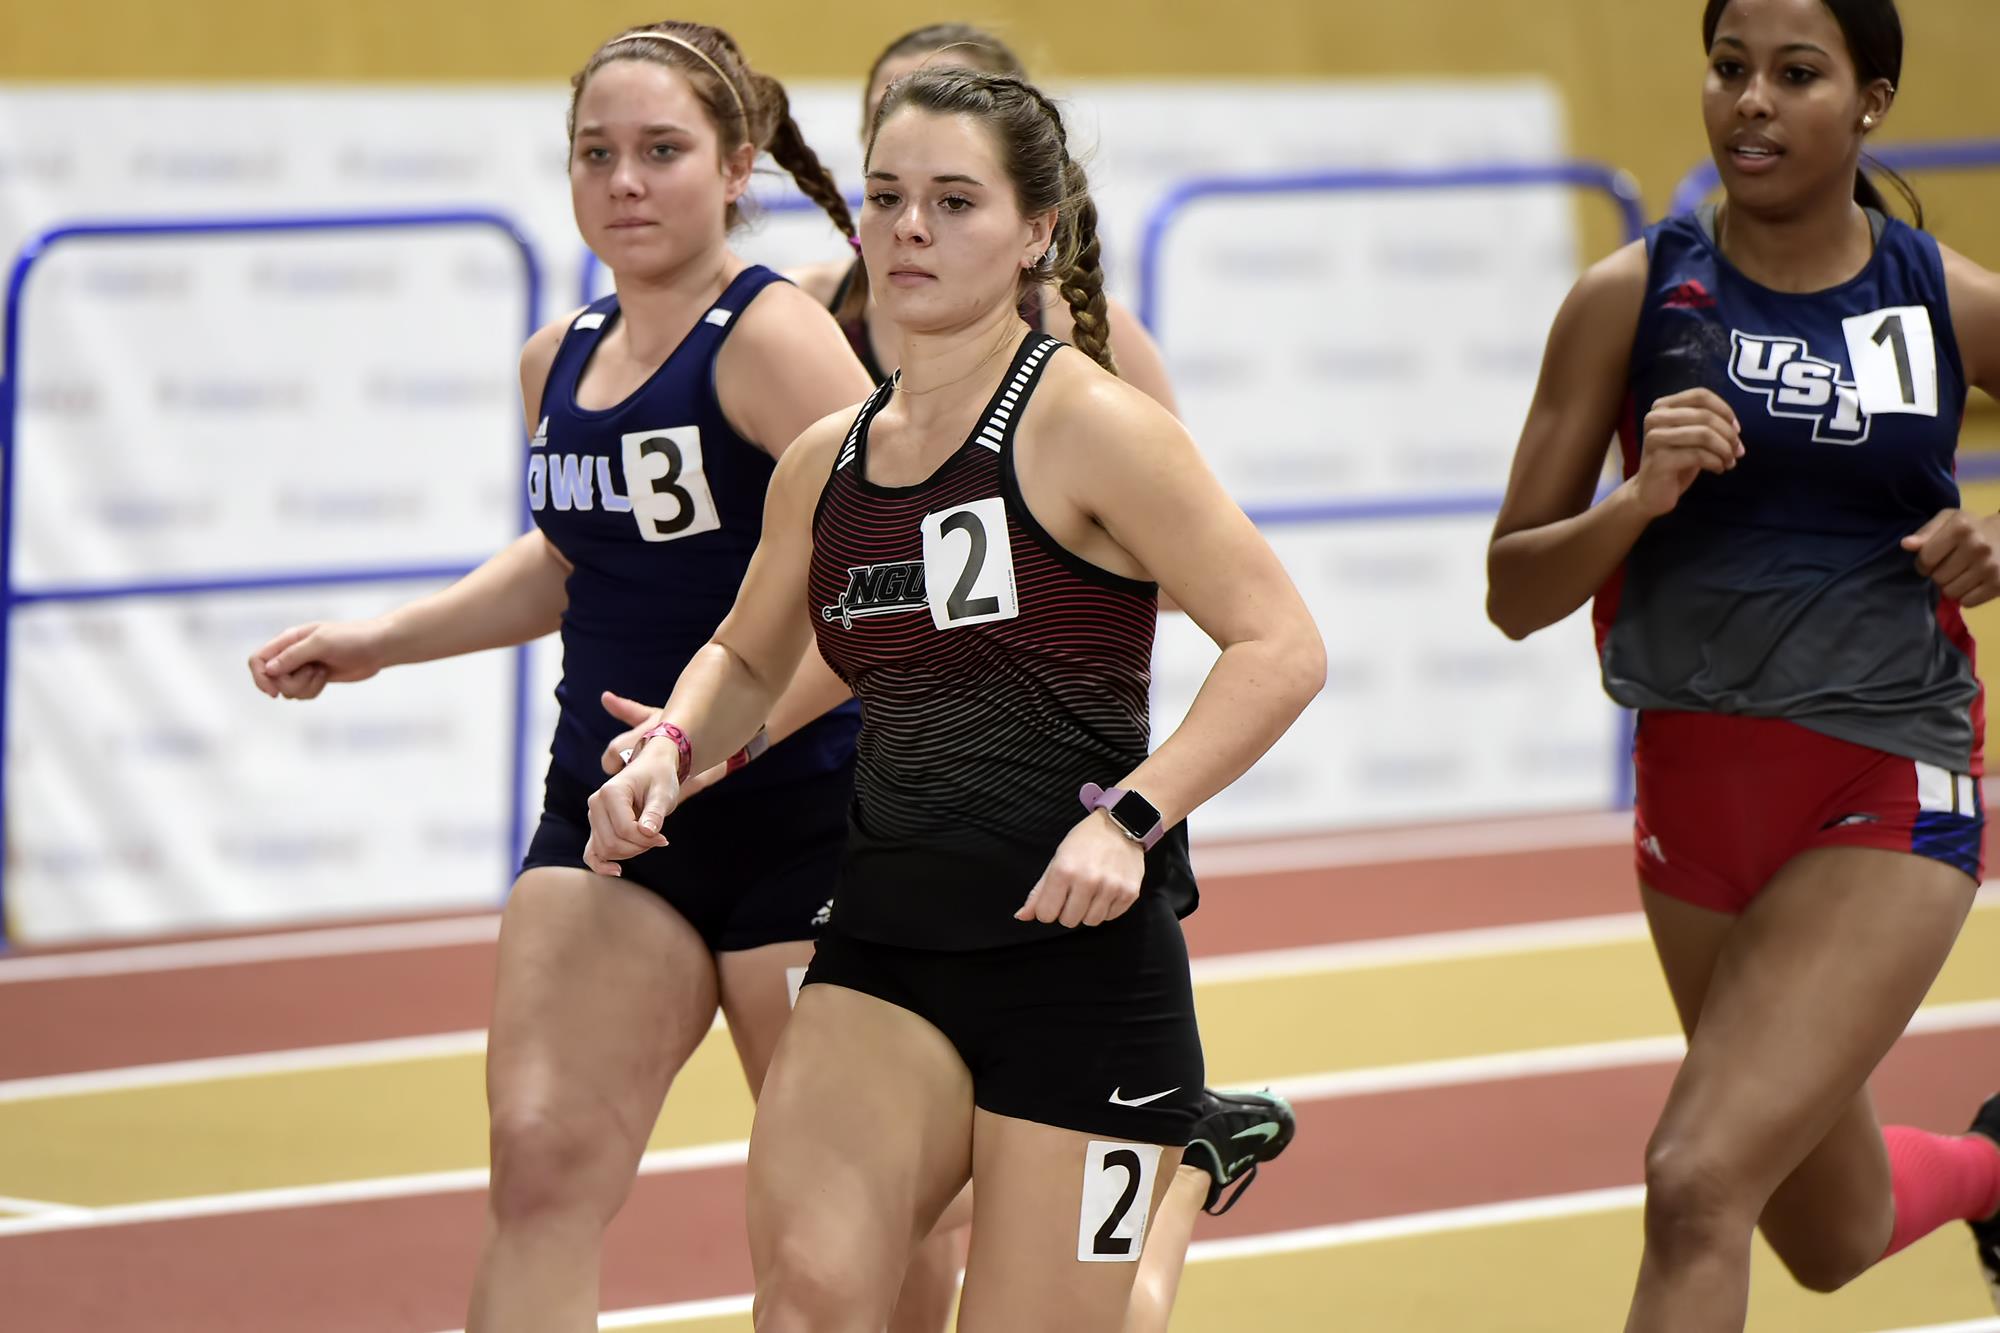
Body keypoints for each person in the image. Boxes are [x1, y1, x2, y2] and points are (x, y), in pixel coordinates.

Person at [584, 65, 1325, 1332]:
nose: (910, 227)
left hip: (1079, 974)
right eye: (885, 197)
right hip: (883, 948)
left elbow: (1278, 644)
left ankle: (1182, 1173)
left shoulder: (1093, 425)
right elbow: (750, 655)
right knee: (808, 1305)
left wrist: (1129, 820)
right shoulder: (826, 462)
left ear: (1035, 228)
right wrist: (664, 742)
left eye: (952, 200)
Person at [244, 21, 955, 1331]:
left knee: (848, 1232)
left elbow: (883, 587)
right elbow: (574, 562)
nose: (625, 181)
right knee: (540, 1160)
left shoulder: (776, 338)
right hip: (610, 819)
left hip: (809, 825)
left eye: (662, 151)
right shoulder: (555, 359)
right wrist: (384, 641)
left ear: (736, 167)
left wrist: (705, 743)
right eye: (597, 153)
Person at [1486, 2, 2000, 1328]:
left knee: (1696, 1178)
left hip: (1886, 773)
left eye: (1796, 73)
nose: (1754, 102)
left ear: (1871, 99)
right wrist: (1636, 502)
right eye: (1730, 70)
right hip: (1696, 799)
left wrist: (1995, 537)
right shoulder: (1631, 298)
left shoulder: (1932, 292)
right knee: (1828, 1229)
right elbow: (1512, 591)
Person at [785, 23, 1178, 410]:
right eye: (891, 106)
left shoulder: (1083, 338)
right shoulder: (797, 313)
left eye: (955, 201)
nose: (922, 121)